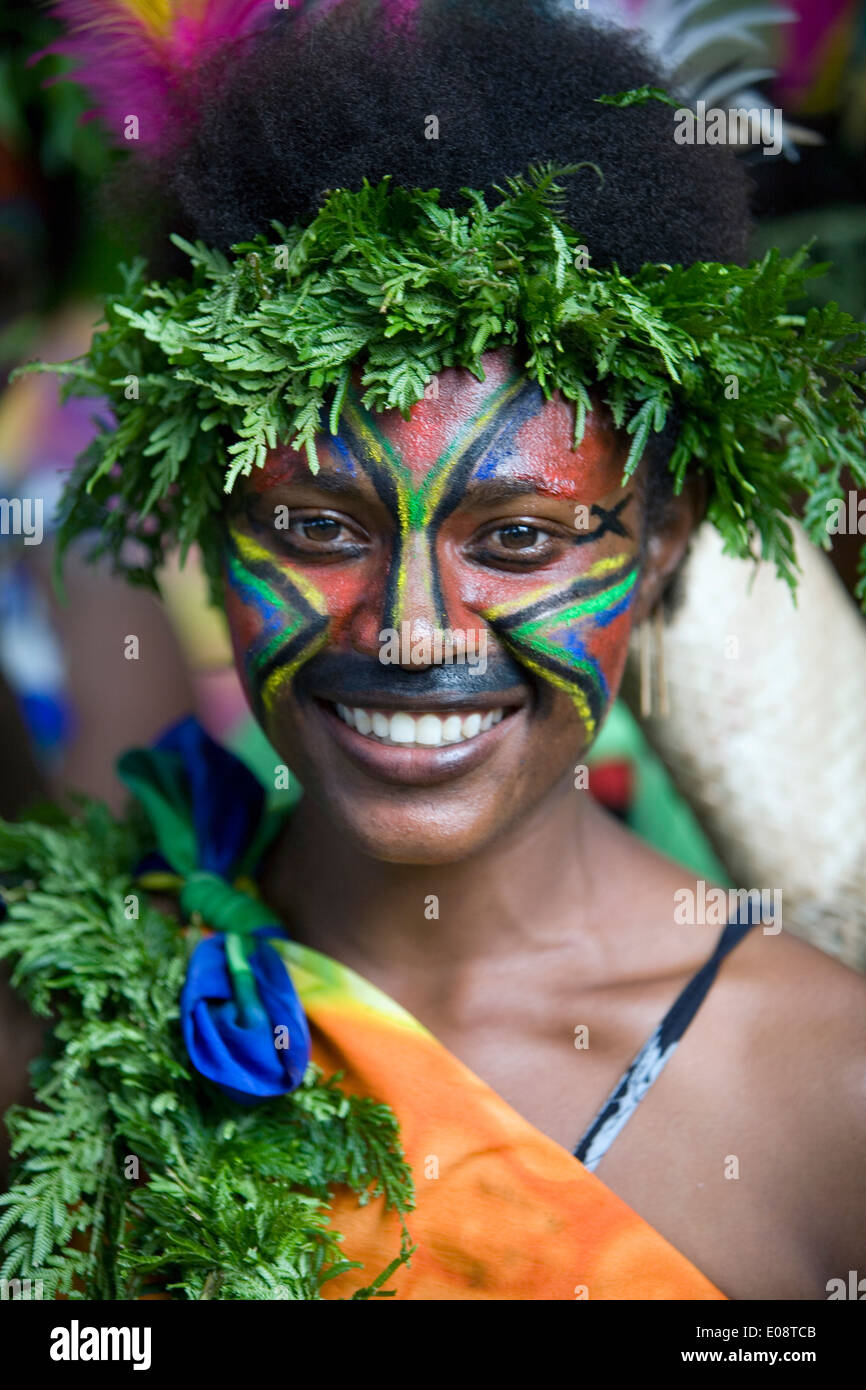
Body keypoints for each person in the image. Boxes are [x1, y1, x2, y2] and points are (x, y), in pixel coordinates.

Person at [1, 0, 864, 1301]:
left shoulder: (827, 1096)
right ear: (202, 513)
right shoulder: (58, 1025)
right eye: (312, 525)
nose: (409, 630)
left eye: (516, 540)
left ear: (663, 536)